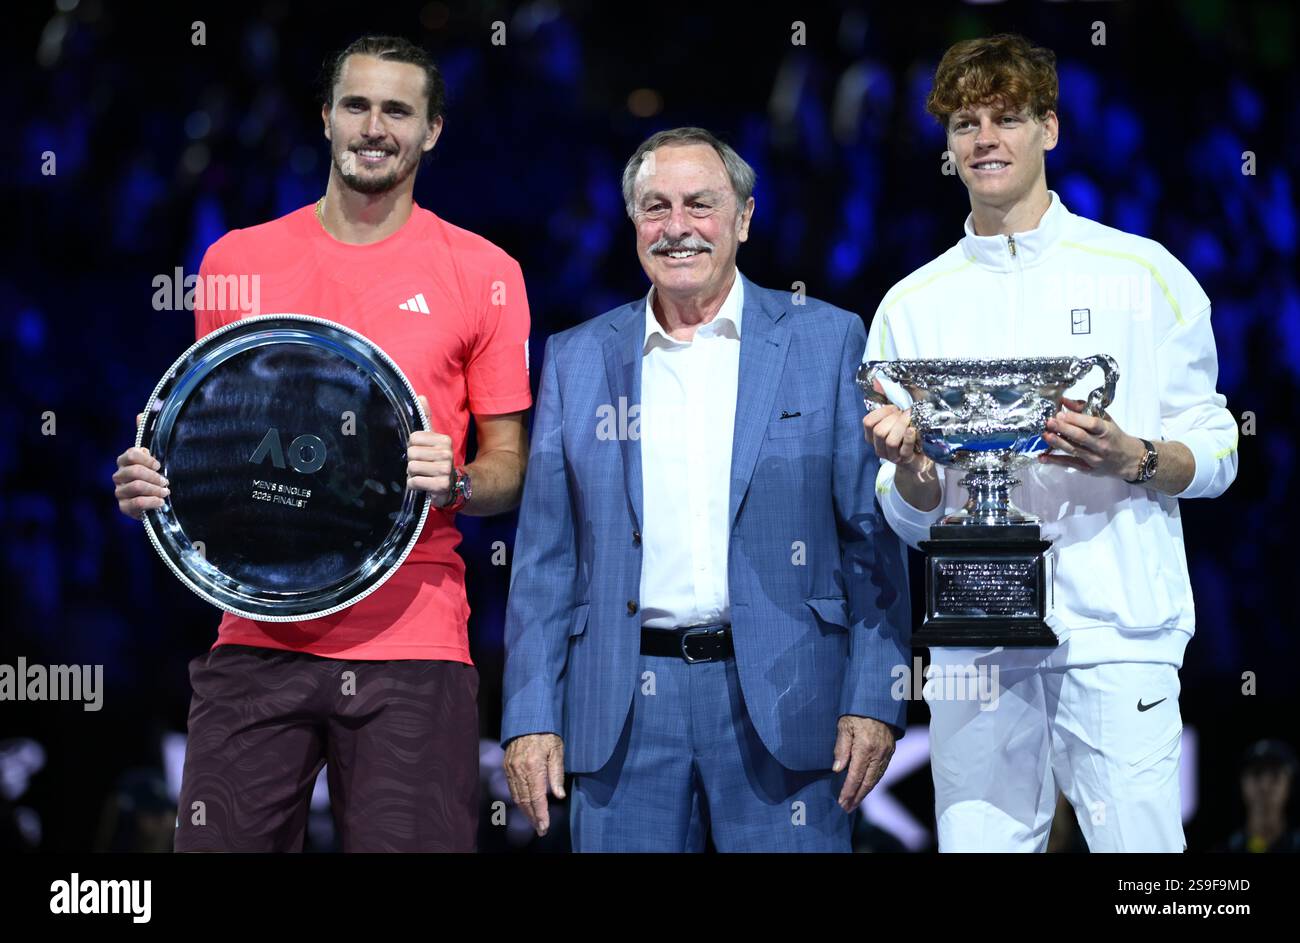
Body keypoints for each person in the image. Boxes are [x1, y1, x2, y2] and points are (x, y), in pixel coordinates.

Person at [112, 35, 532, 852]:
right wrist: (158, 483)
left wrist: (457, 481)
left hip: (415, 640)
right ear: (328, 118)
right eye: (357, 105)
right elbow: (217, 445)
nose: (375, 127)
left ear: (432, 130)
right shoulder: (235, 261)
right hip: (256, 634)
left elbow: (509, 466)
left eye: (398, 111)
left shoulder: (485, 271)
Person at [863, 33, 1238, 852]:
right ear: (949, 144)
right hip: (976, 641)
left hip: (1118, 632)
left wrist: (1132, 456)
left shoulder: (1143, 275)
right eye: (965, 123)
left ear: (1050, 129)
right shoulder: (911, 305)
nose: (984, 138)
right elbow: (906, 511)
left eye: (1005, 117)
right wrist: (916, 474)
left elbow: (1218, 452)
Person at [501, 127, 910, 852]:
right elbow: (543, 558)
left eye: (700, 204)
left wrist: (876, 695)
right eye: (656, 207)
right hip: (618, 713)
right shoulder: (575, 358)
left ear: (744, 219)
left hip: (793, 705)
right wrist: (531, 711)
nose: (678, 227)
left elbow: (869, 536)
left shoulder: (828, 339)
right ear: (633, 224)